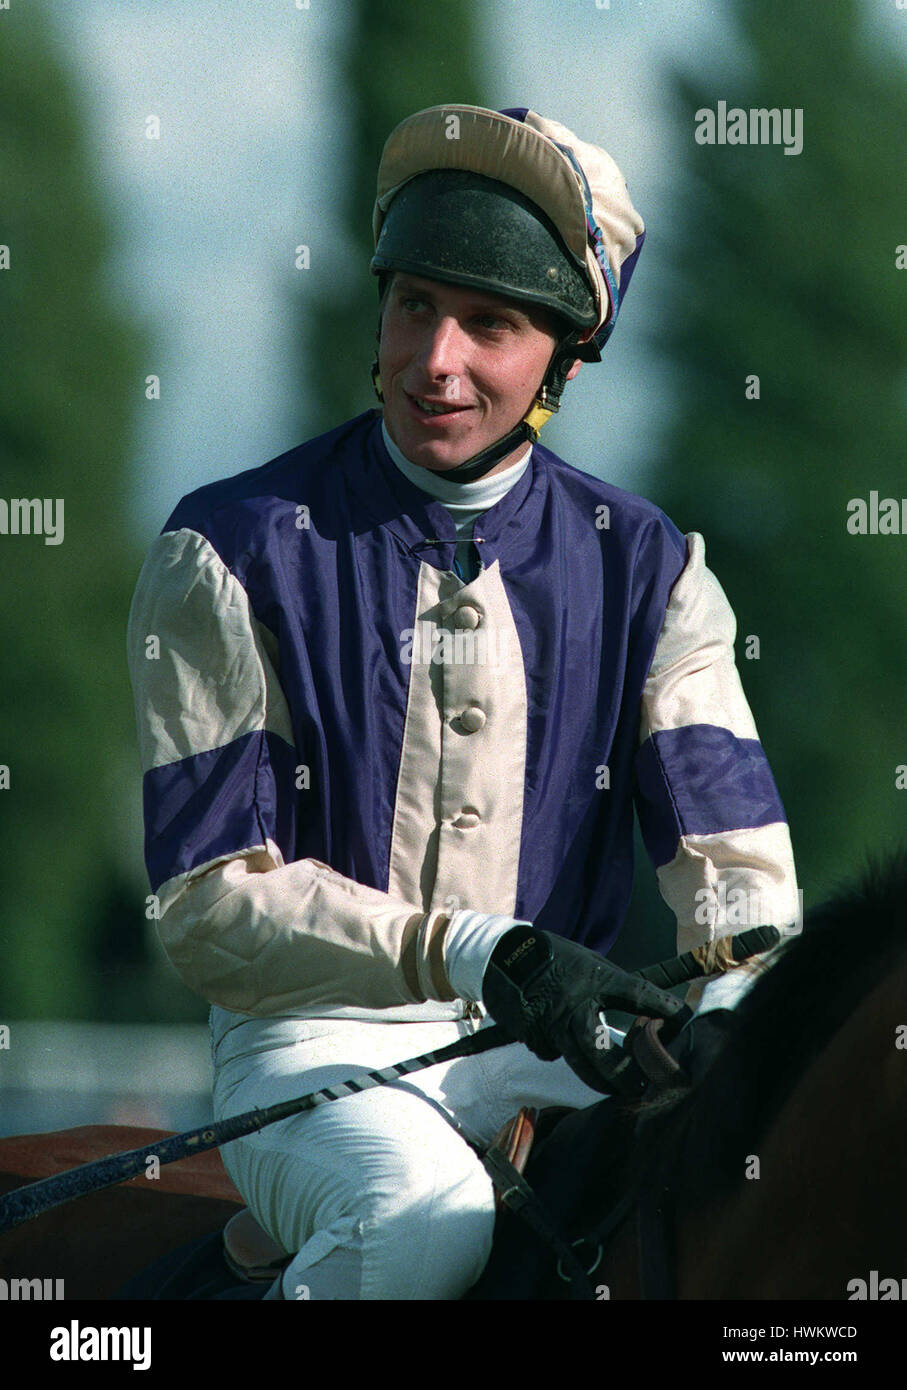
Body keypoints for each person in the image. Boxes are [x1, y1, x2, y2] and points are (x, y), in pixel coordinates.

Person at [126, 104, 800, 1300]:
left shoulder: (650, 568)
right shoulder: (227, 548)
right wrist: (480, 951)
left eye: (487, 323)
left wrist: (737, 1004)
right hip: (310, 1050)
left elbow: (736, 877)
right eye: (413, 306)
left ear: (564, 361)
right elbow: (205, 905)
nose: (435, 358)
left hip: (556, 1054)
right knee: (420, 1220)